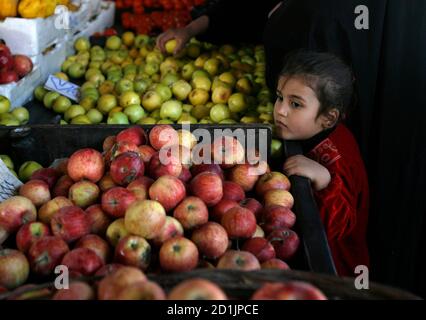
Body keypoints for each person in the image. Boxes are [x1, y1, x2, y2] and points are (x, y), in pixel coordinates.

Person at [273, 50, 369, 277]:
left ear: (328, 118)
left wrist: (325, 181)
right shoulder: (310, 130)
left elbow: (341, 226)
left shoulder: (338, 157)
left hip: (338, 267)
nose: (280, 110)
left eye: (295, 104)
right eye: (279, 97)